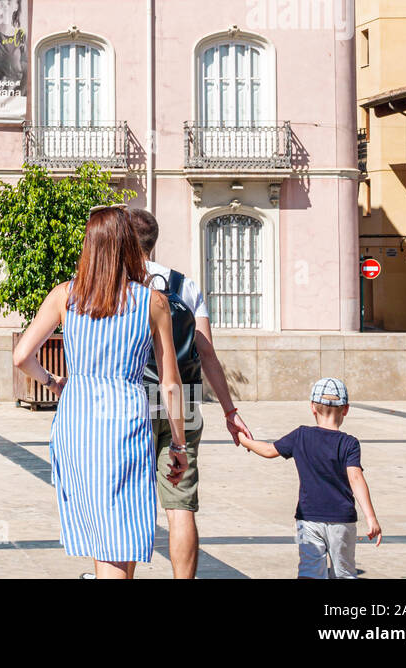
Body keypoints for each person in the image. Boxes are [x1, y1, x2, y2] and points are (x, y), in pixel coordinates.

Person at [13, 205, 187, 579]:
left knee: (104, 534)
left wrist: (54, 382)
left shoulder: (64, 296)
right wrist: (177, 443)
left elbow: (22, 356)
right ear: (128, 245)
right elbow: (170, 381)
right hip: (123, 419)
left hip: (76, 421)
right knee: (119, 534)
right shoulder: (154, 303)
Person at [127, 208, 253, 579]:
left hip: (135, 399)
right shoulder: (185, 286)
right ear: (154, 241)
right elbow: (207, 353)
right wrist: (230, 411)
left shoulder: (121, 286)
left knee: (129, 502)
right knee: (181, 506)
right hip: (186, 401)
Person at [239, 377, 382, 579]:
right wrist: (371, 517)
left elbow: (270, 450)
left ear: (313, 407)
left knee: (309, 570)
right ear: (346, 409)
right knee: (345, 573)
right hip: (342, 520)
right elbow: (356, 478)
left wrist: (246, 441)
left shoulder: (301, 435)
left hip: (308, 519)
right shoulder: (350, 443)